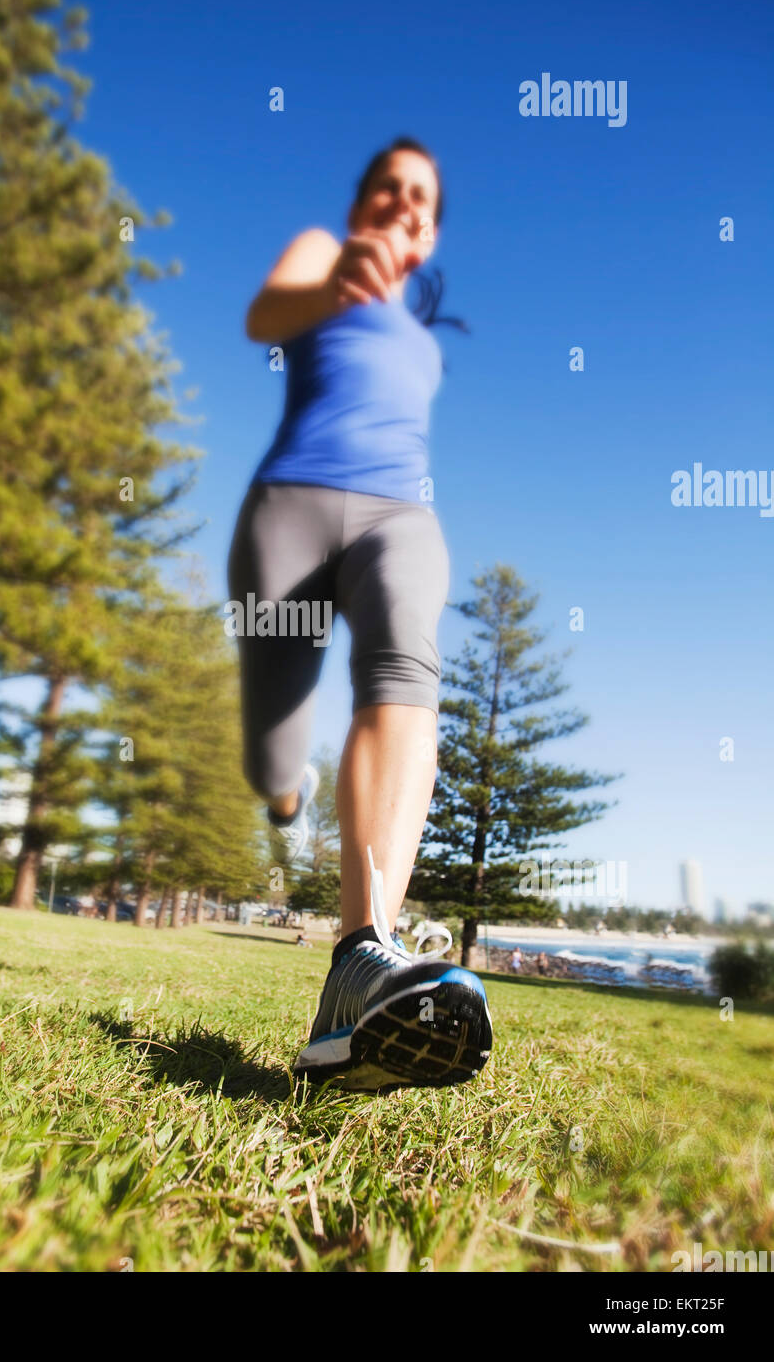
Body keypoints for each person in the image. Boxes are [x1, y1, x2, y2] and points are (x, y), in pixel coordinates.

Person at [228, 137, 493, 1093]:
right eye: (387, 185)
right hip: (288, 511)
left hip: (395, 513)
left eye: (419, 196)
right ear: (362, 202)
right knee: (272, 746)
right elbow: (265, 314)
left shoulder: (423, 338)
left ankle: (360, 956)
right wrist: (337, 277)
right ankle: (282, 789)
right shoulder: (317, 254)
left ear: (427, 229)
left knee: (402, 661)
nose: (400, 201)